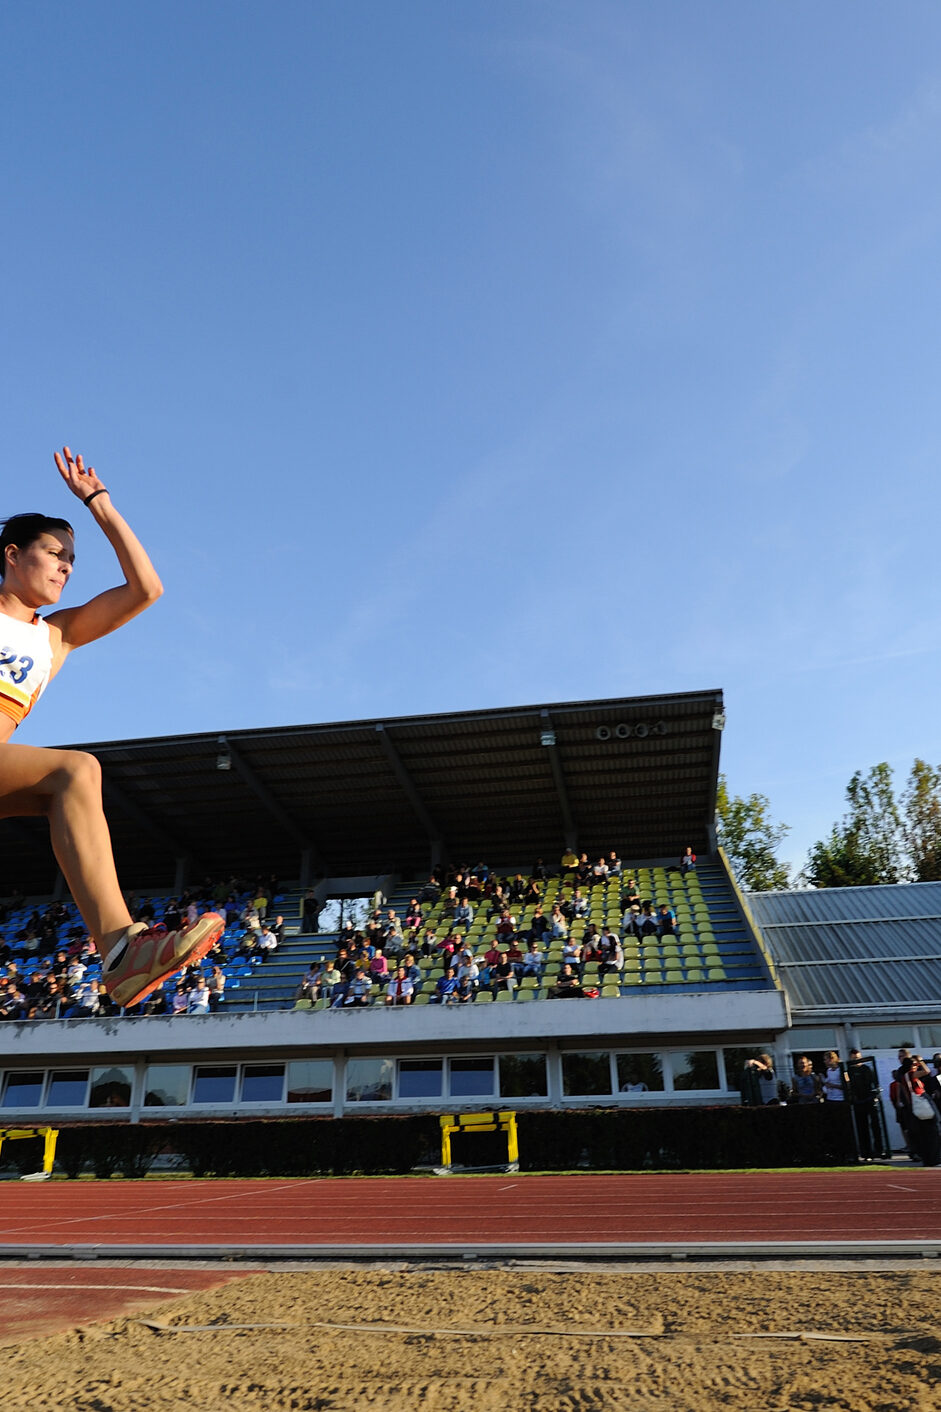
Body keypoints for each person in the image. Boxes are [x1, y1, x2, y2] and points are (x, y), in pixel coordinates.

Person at [0, 450, 223, 1008]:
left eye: (72, 560)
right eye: (54, 553)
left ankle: (123, 952)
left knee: (73, 779)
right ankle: (122, 949)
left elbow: (146, 589)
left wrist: (99, 503)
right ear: (11, 555)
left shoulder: (57, 637)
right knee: (75, 770)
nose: (66, 567)